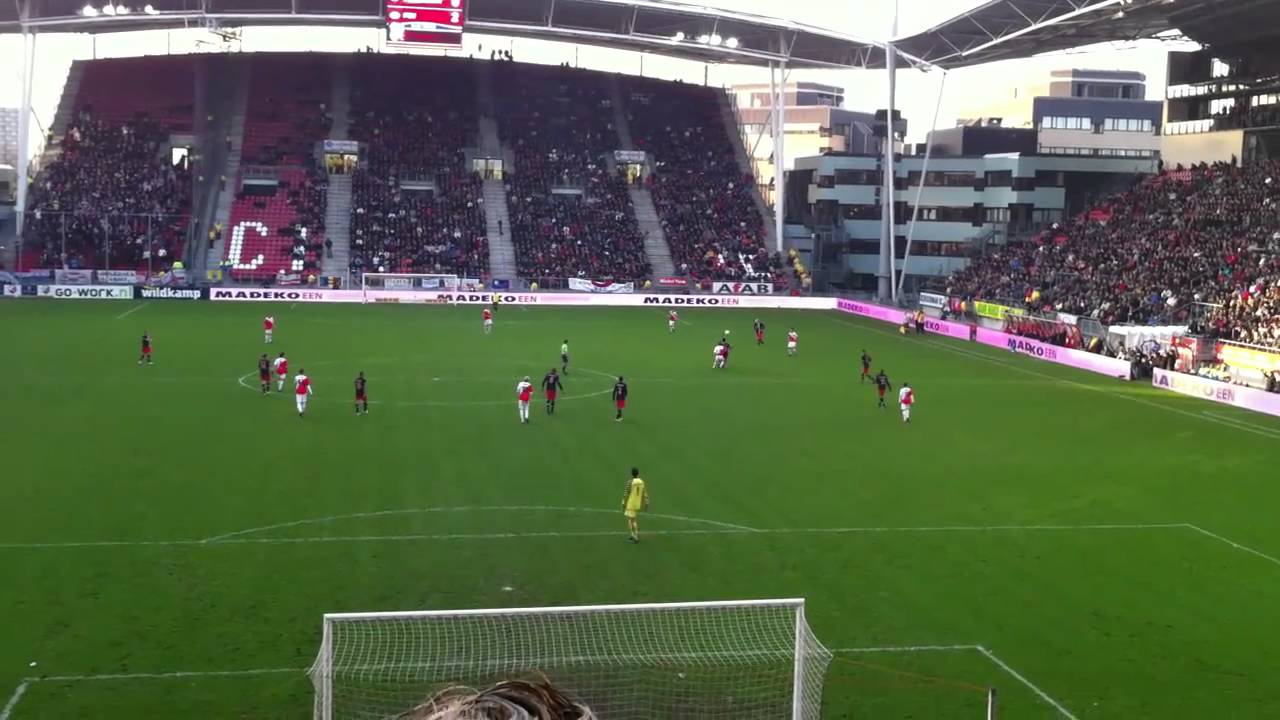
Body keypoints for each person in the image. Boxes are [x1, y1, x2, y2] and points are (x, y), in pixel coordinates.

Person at [622, 467, 649, 544]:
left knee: (630, 519)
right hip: (637, 503)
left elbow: (626, 493)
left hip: (631, 503)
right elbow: (644, 492)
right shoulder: (641, 481)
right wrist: (647, 501)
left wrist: (623, 502)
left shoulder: (630, 482)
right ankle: (635, 535)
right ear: (638, 473)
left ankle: (634, 536)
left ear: (631, 474)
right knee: (633, 519)